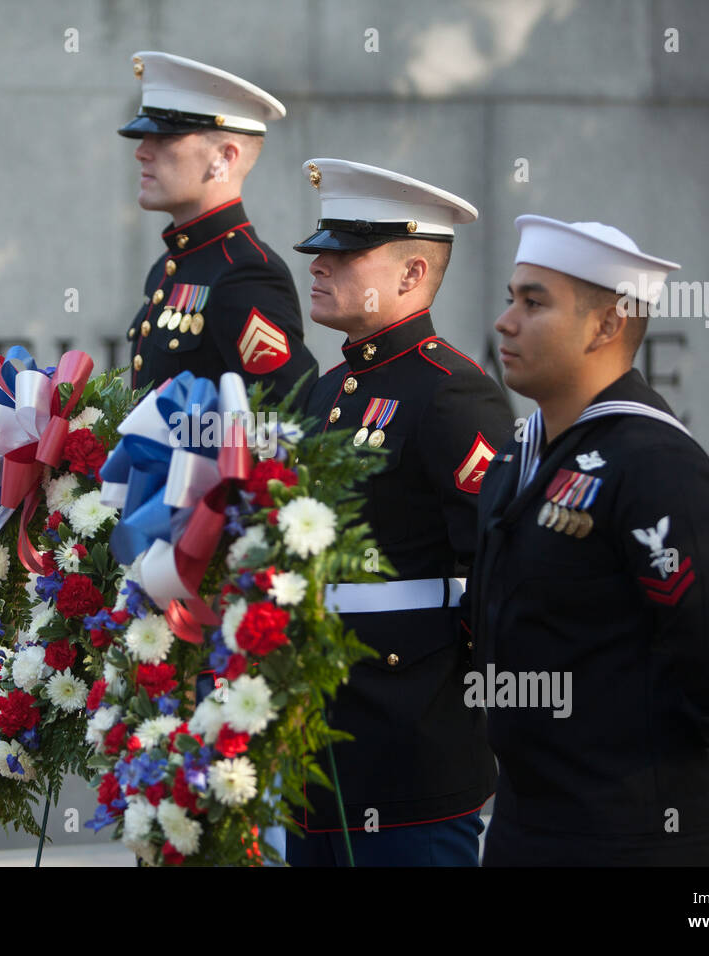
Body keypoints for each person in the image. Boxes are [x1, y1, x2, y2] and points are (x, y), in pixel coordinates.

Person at [470, 214, 709, 866]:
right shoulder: (518, 455)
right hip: (523, 817)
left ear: (607, 325)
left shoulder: (653, 460)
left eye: (534, 302)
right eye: (510, 297)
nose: (506, 320)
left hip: (626, 829)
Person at [289, 158, 515, 866]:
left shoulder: (452, 393)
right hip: (316, 751)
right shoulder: (322, 394)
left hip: (411, 745)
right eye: (321, 246)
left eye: (345, 251)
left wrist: (451, 704)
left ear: (412, 275)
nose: (318, 263)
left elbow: (500, 567)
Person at [117, 51, 317, 403]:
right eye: (145, 138)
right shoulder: (174, 264)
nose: (142, 152)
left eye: (164, 138)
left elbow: (282, 422)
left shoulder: (246, 274)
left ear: (225, 157)